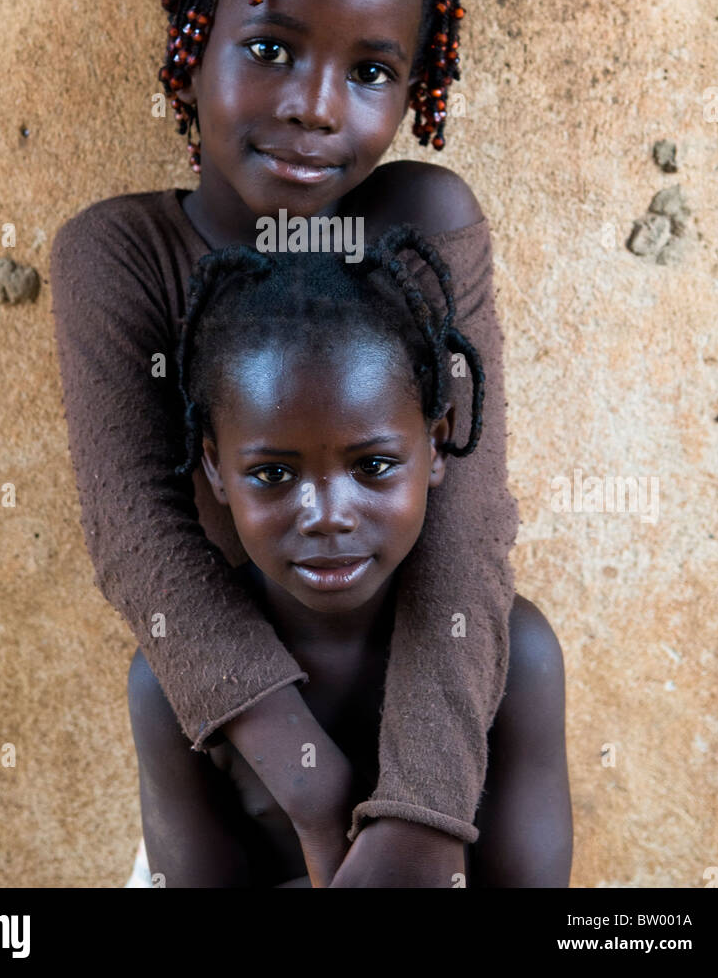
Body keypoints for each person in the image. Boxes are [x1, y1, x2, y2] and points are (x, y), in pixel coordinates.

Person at [50, 0, 522, 887]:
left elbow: (467, 532)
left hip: (432, 768)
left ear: (412, 91)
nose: (315, 109)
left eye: (369, 72)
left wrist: (419, 815)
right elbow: (139, 540)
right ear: (190, 54)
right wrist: (310, 787)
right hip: (233, 787)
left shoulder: (420, 227)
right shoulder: (118, 255)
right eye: (268, 49)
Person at [127, 229, 572, 887]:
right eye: (273, 474)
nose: (327, 513)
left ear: (438, 445)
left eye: (373, 465)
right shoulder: (169, 679)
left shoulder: (516, 649)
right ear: (216, 469)